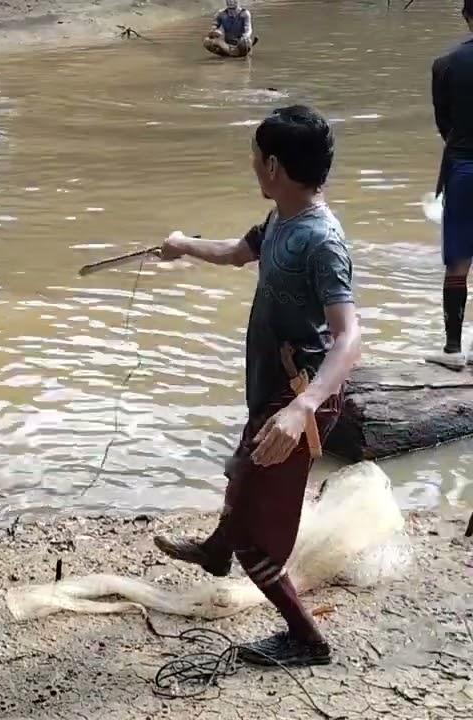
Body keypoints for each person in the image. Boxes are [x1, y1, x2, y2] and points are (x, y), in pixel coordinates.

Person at [153, 105, 362, 667]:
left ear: (272, 165)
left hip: (299, 395)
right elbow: (236, 253)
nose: (251, 164)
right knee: (242, 476)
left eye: (254, 155)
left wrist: (303, 410)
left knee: (258, 538)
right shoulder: (280, 220)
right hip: (275, 388)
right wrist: (183, 244)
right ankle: (217, 550)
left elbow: (348, 336)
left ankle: (306, 639)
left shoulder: (320, 240)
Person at [426, 1, 473, 370]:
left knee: (457, 262)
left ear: (466, 16)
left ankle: (453, 350)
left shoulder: (445, 65)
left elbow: (445, 123)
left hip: (462, 167)